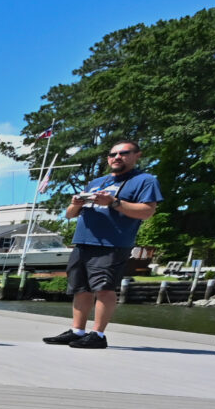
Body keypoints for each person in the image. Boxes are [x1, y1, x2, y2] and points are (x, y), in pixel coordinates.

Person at [43, 140, 161, 349]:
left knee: (104, 288)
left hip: (112, 244)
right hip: (82, 242)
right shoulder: (97, 182)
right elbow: (70, 214)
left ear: (137, 155)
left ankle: (98, 335)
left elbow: (147, 211)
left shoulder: (145, 180)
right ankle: (77, 331)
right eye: (113, 154)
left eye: (123, 153)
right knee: (80, 288)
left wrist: (113, 202)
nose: (117, 157)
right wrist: (75, 204)